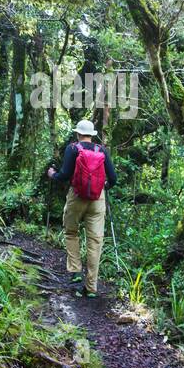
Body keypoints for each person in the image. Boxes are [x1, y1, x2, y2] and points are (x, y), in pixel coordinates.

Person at [46, 119, 117, 298]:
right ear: (92, 135)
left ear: (78, 133)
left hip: (77, 196)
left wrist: (52, 174)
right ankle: (91, 288)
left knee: (71, 232)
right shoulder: (102, 150)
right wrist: (104, 186)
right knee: (95, 241)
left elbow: (64, 175)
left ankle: (76, 272)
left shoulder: (72, 149)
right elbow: (113, 178)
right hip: (97, 199)